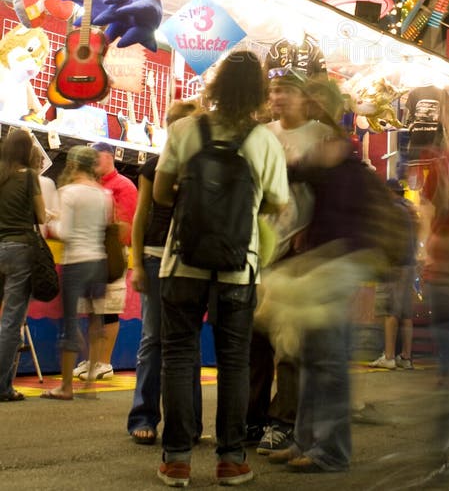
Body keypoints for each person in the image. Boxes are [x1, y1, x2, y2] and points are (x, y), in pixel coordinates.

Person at [153, 50, 289, 488]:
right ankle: (231, 460)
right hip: (239, 267)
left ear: (215, 85)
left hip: (182, 262)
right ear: (258, 92)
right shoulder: (264, 140)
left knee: (178, 357)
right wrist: (246, 207)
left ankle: (176, 459)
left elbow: (159, 194)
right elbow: (277, 203)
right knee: (233, 363)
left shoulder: (184, 129)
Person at [265, 77, 376, 473]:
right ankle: (305, 440)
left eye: (311, 101)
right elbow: (290, 174)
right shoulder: (329, 152)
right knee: (312, 356)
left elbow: (296, 174)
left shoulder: (341, 152)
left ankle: (331, 449)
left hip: (339, 263)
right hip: (323, 261)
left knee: (327, 360)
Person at [250, 67, 333, 456]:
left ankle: (281, 421)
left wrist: (314, 231)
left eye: (286, 89)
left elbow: (333, 194)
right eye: (274, 90)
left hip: (297, 253)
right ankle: (251, 418)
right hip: (260, 246)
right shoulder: (263, 135)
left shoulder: (320, 135)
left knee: (288, 342)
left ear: (304, 97)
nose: (278, 96)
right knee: (254, 338)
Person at [127, 98, 203, 445]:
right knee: (154, 338)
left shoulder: (204, 169)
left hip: (193, 259)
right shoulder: (153, 168)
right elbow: (141, 216)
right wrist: (137, 263)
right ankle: (143, 417)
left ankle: (189, 423)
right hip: (157, 256)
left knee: (187, 343)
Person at [41, 146, 110, 400]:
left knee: (70, 321)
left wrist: (51, 220)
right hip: (99, 261)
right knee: (95, 321)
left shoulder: (68, 192)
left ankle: (66, 386)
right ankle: (90, 384)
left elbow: (66, 232)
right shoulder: (104, 194)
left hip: (76, 262)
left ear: (72, 164)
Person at [73, 142, 137, 382]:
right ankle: (93, 360)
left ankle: (105, 362)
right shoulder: (93, 185)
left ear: (109, 156)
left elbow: (125, 228)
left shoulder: (124, 186)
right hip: (91, 252)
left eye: (95, 156)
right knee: (93, 310)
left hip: (110, 254)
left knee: (108, 309)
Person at [0, 128, 46, 401]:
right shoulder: (29, 177)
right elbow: (40, 215)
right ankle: (3, 388)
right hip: (20, 248)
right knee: (11, 321)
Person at [369, 178, 418, 370]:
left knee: (391, 312)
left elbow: (391, 240)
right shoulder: (409, 209)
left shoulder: (395, 211)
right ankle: (405, 357)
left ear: (390, 192)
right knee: (406, 314)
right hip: (409, 265)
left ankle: (389, 356)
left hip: (396, 266)